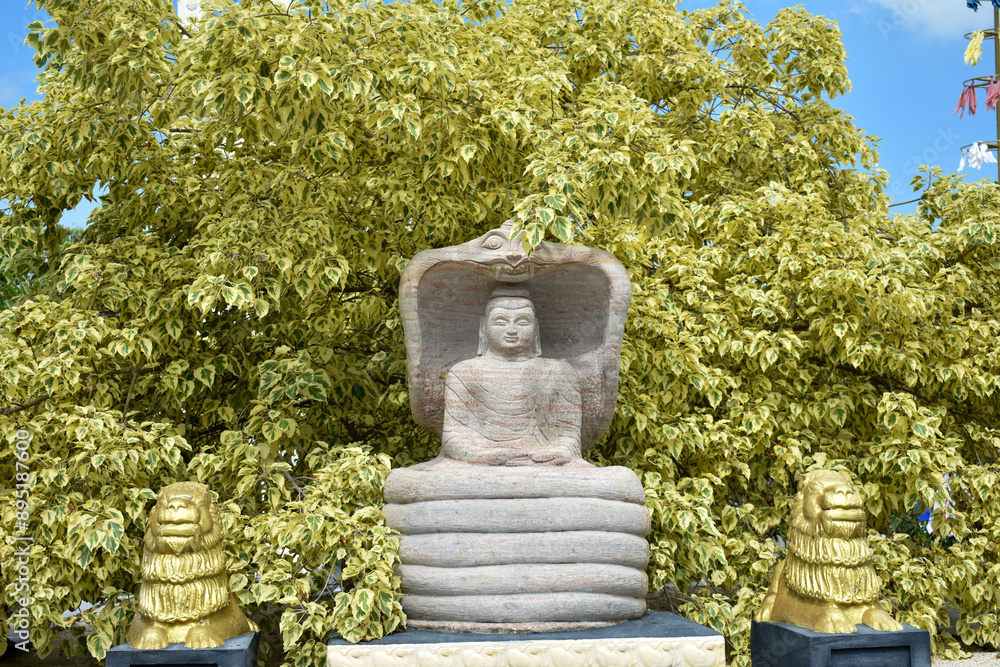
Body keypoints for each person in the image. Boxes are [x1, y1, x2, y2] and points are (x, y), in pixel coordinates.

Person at [438, 286, 589, 467]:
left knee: (623, 478)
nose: (511, 330)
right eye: (500, 322)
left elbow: (569, 437)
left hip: (542, 462)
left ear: (536, 327)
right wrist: (480, 455)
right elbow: (453, 437)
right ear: (484, 327)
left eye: (522, 322)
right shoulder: (464, 372)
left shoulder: (559, 371)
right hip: (482, 463)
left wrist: (560, 452)